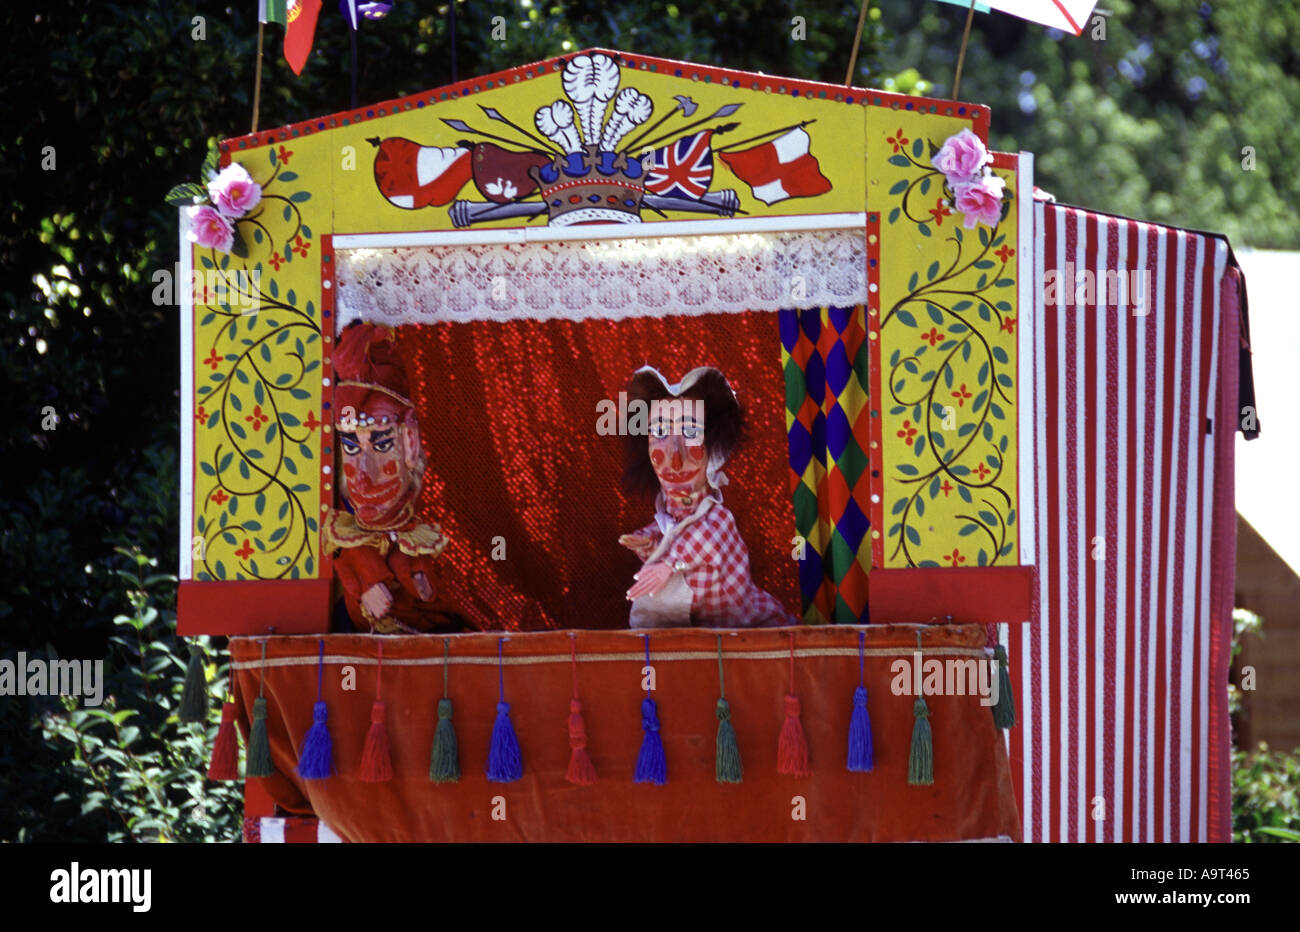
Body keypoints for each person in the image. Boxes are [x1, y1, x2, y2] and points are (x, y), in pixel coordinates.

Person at [619, 365, 794, 628]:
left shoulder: (718, 522)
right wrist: (648, 542)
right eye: (660, 433)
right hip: (703, 643)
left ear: (715, 449)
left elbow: (704, 539)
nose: (674, 458)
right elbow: (676, 536)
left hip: (756, 634)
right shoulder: (671, 521)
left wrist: (667, 565)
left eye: (690, 433)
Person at [322, 322, 468, 633]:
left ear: (410, 445)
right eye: (350, 446)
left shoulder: (413, 530)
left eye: (382, 444)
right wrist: (369, 583)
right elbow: (350, 555)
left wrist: (415, 572)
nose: (362, 476)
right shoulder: (348, 535)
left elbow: (413, 562)